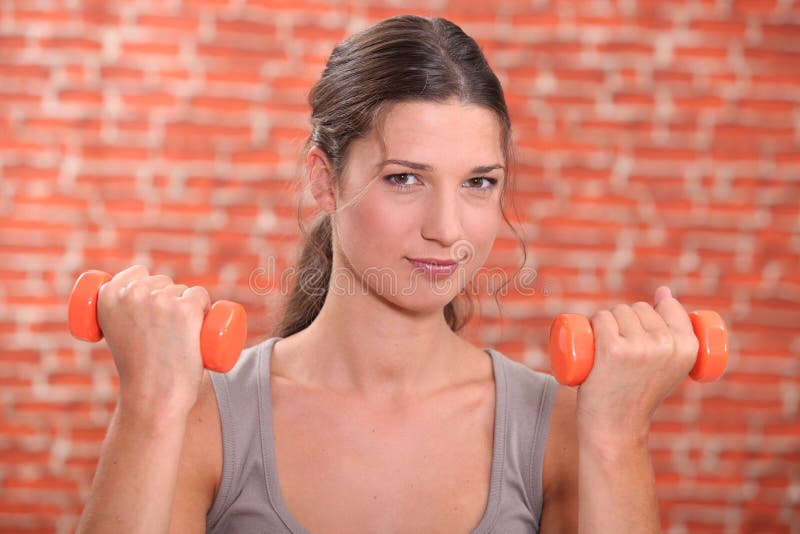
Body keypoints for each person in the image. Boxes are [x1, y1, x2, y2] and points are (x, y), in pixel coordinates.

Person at [75, 15, 700, 534]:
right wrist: (149, 405)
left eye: (479, 183)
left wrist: (618, 438)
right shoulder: (208, 419)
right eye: (405, 178)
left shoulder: (560, 427)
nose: (448, 229)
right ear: (325, 181)